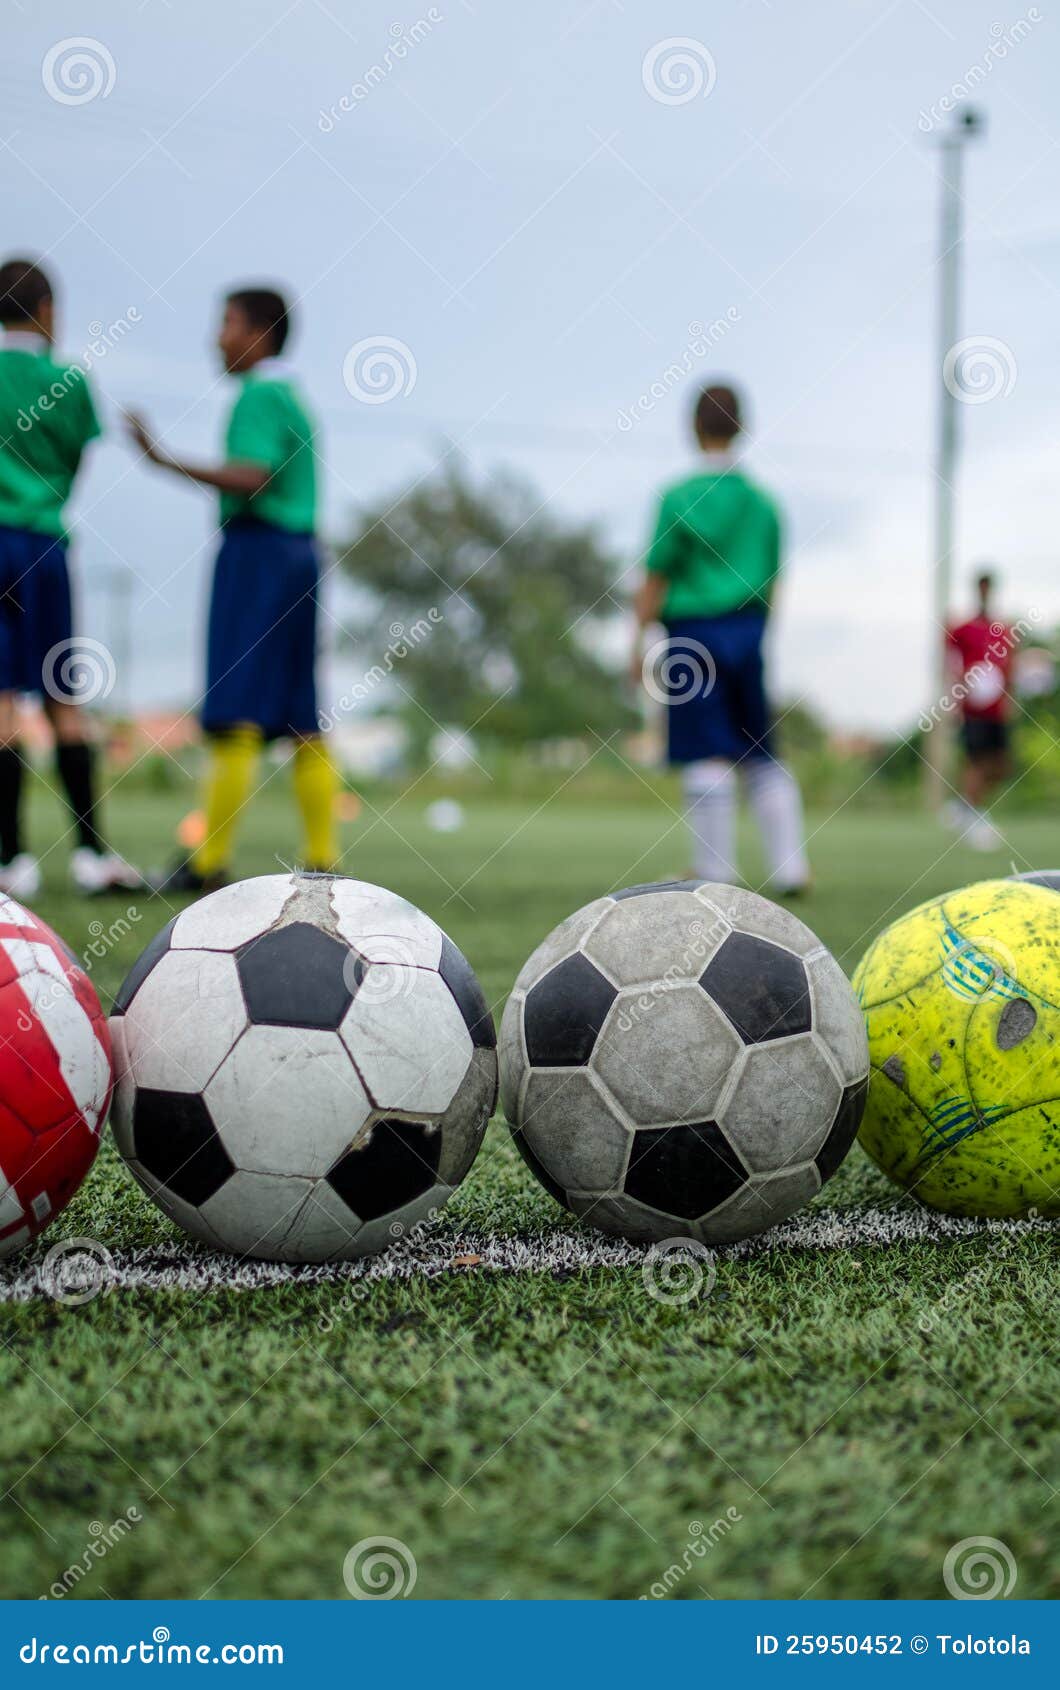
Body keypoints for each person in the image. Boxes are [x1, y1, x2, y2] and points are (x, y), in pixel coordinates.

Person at [126, 285, 338, 892]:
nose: (216, 337)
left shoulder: (258, 394)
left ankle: (208, 862)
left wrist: (164, 459)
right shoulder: (293, 395)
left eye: (227, 323)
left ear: (260, 332)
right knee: (302, 712)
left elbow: (252, 474)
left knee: (234, 707)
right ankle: (324, 863)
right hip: (299, 553)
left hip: (258, 553)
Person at [630, 382, 809, 894]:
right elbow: (774, 580)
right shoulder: (764, 503)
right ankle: (791, 868)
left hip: (692, 634)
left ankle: (715, 872)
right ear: (741, 426)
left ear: (693, 427)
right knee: (759, 748)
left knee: (705, 751)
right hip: (747, 630)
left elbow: (656, 576)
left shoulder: (677, 497)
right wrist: (755, 633)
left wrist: (636, 641)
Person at [0, 257, 143, 899]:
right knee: (63, 694)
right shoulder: (70, 382)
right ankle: (89, 855)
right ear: (48, 310)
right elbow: (75, 460)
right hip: (46, 547)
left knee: (2, 699)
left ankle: (13, 861)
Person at [945, 569, 1013, 851]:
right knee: (975, 761)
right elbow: (950, 663)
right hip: (973, 708)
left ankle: (962, 806)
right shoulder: (963, 629)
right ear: (978, 590)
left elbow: (1010, 668)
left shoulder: (1004, 630)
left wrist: (1010, 700)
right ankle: (973, 815)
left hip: (997, 709)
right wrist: (955, 696)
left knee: (1000, 766)